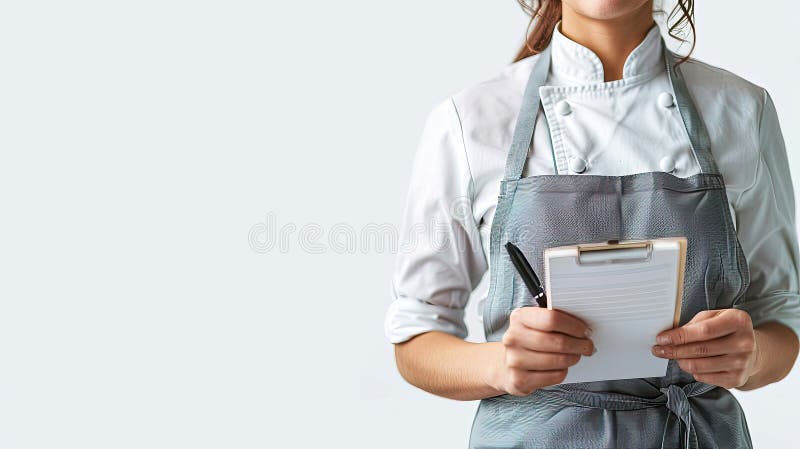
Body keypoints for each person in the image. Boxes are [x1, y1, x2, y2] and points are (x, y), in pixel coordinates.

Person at [383, 1, 800, 448]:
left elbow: (780, 315)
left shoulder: (743, 110)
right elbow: (415, 338)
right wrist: (499, 365)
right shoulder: (469, 120)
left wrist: (753, 356)